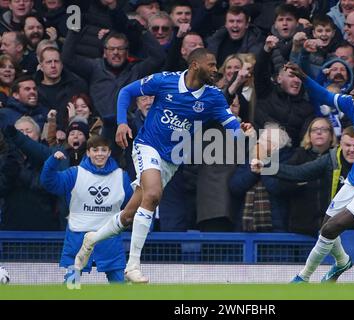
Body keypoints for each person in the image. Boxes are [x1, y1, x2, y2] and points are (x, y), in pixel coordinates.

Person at [74, 48, 254, 283]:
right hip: (147, 145)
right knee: (154, 193)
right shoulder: (164, 81)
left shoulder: (213, 96)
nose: (215, 69)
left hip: (172, 160)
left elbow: (230, 125)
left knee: (128, 216)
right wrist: (121, 123)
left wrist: (243, 135)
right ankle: (133, 265)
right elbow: (126, 92)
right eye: (211, 64)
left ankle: (92, 239)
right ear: (195, 66)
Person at [253, 70, 354, 283]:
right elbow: (327, 96)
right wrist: (304, 76)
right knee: (326, 227)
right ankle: (343, 262)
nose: (351, 93)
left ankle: (303, 278)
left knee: (330, 228)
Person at [40, 135, 133, 283]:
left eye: (104, 150)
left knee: (119, 285)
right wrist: (52, 162)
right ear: (88, 153)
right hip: (78, 236)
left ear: (109, 152)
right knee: (72, 285)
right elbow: (49, 183)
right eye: (95, 150)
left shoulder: (121, 177)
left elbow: (133, 202)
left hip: (109, 237)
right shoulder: (75, 173)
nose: (100, 154)